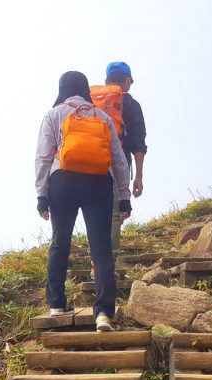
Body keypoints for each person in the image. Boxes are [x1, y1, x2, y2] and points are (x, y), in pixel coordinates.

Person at [35, 71, 131, 332]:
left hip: (62, 182)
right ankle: (103, 313)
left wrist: (41, 194)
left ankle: (56, 304)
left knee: (60, 242)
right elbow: (118, 159)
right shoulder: (102, 117)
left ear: (62, 88)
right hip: (99, 183)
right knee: (100, 249)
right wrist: (124, 196)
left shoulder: (54, 114)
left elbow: (43, 157)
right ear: (86, 90)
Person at [91, 61, 147, 255]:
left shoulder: (89, 102)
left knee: (95, 214)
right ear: (126, 81)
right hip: (116, 165)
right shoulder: (130, 104)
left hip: (87, 165)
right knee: (115, 215)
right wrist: (138, 176)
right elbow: (138, 143)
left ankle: (96, 260)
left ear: (106, 81)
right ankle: (107, 264)